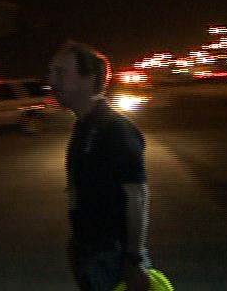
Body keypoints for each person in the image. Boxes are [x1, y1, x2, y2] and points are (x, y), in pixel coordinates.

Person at [49, 41, 152, 291]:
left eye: (61, 73)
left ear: (89, 79)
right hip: (91, 252)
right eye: (51, 73)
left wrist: (134, 260)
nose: (51, 81)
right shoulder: (84, 126)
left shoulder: (114, 128)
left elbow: (137, 197)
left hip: (114, 257)